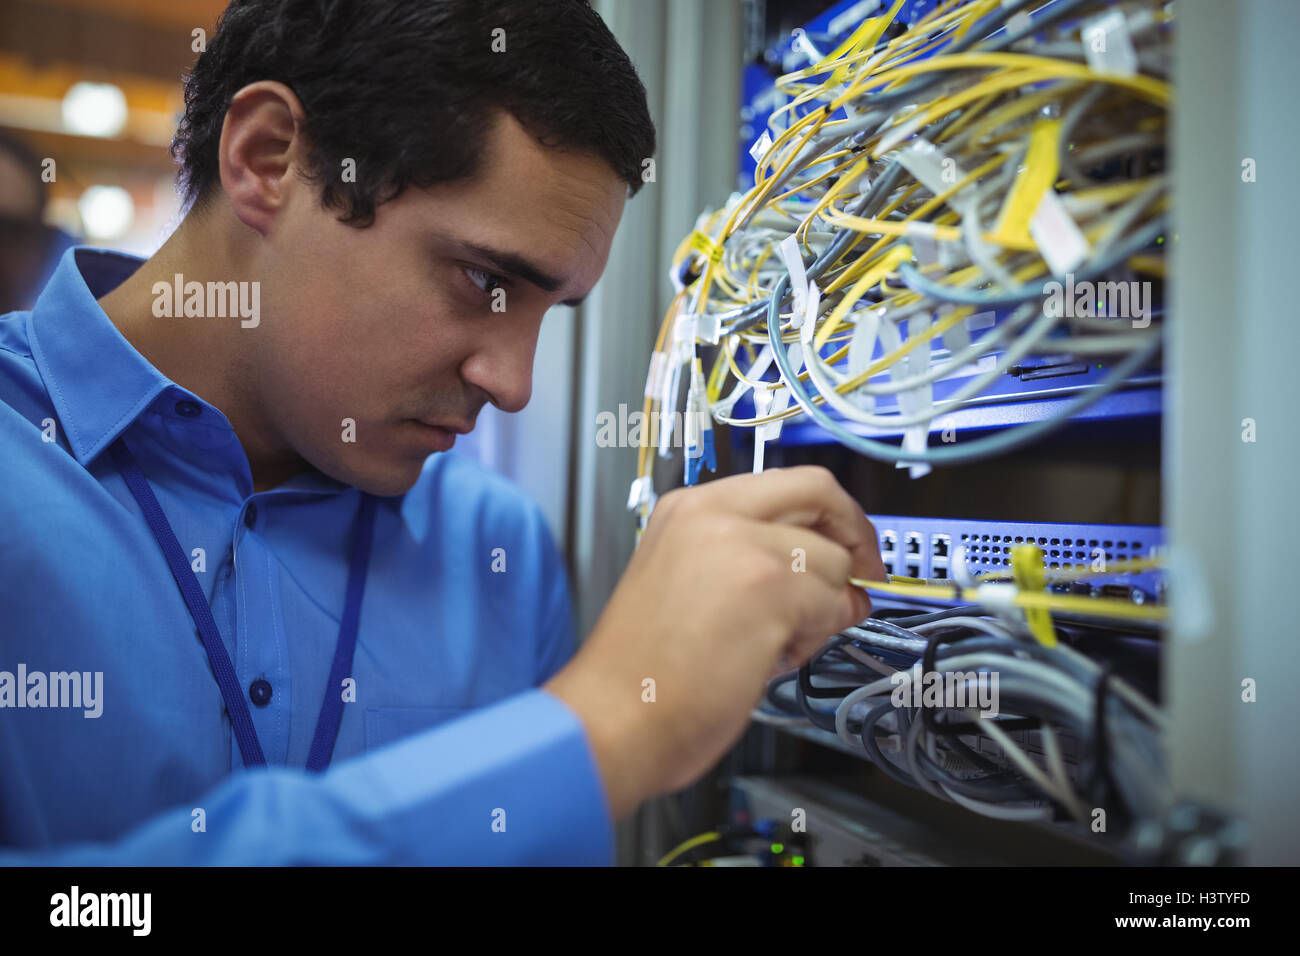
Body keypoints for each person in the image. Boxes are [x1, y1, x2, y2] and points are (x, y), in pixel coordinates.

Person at [0, 0, 884, 864]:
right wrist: (605, 727)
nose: (514, 384)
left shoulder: (499, 556)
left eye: (552, 311)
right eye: (480, 279)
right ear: (268, 159)